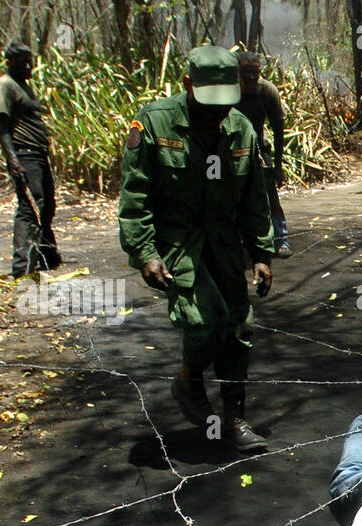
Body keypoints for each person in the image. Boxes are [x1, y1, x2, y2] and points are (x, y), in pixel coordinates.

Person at [118, 45, 274, 453]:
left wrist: (261, 253)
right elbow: (136, 197)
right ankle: (188, 380)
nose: (217, 113)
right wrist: (145, 252)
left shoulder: (241, 128)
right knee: (205, 320)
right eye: (210, 104)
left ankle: (234, 419)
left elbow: (255, 199)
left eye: (226, 105)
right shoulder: (154, 123)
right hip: (178, 244)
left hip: (223, 244)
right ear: (187, 85)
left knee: (239, 329)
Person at [0, 42, 61, 277]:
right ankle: (21, 267)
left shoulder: (23, 86)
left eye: (30, 60)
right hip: (24, 154)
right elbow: (2, 126)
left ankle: (47, 254)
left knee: (47, 204)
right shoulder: (4, 85)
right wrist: (13, 160)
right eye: (23, 60)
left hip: (38, 154)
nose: (29, 65)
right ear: (9, 62)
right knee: (30, 207)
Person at [235, 51, 292, 258]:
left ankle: (281, 239)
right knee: (236, 196)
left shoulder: (268, 90)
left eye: (255, 72)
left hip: (260, 148)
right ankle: (241, 240)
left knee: (270, 195)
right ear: (238, 72)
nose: (251, 77)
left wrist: (277, 165)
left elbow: (278, 128)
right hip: (234, 150)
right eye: (246, 72)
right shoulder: (229, 91)